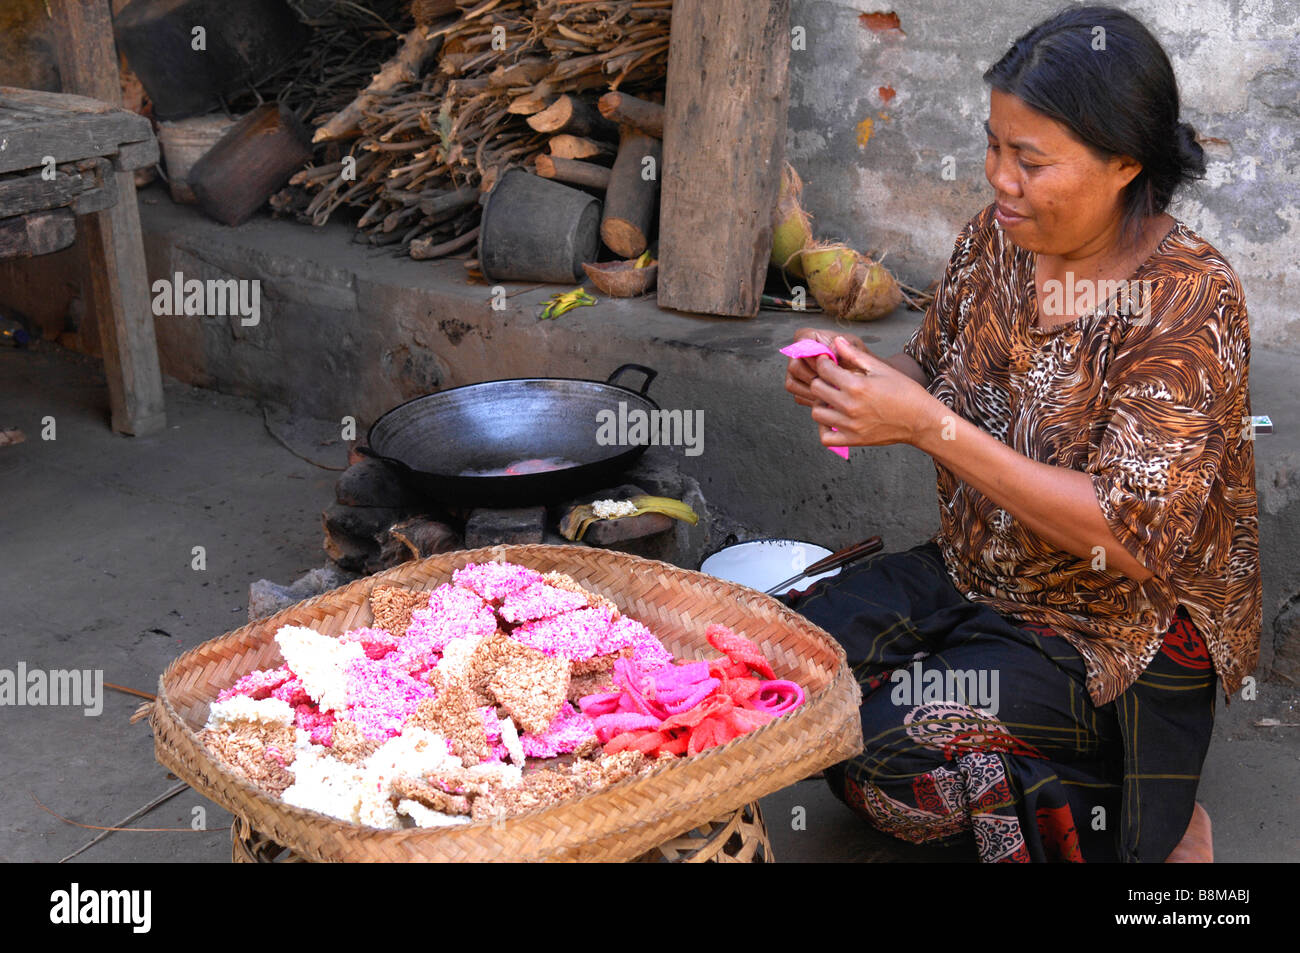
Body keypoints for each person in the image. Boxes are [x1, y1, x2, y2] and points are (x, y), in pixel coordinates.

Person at [783, 5, 1259, 862]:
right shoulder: (997, 242)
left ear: (1124, 164)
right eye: (995, 145)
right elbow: (929, 372)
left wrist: (927, 428)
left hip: (1115, 628)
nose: (1000, 177)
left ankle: (1138, 797)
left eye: (1029, 160)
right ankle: (1004, 713)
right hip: (978, 567)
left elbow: (1126, 536)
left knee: (886, 759)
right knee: (792, 669)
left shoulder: (1188, 300)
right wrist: (855, 377)